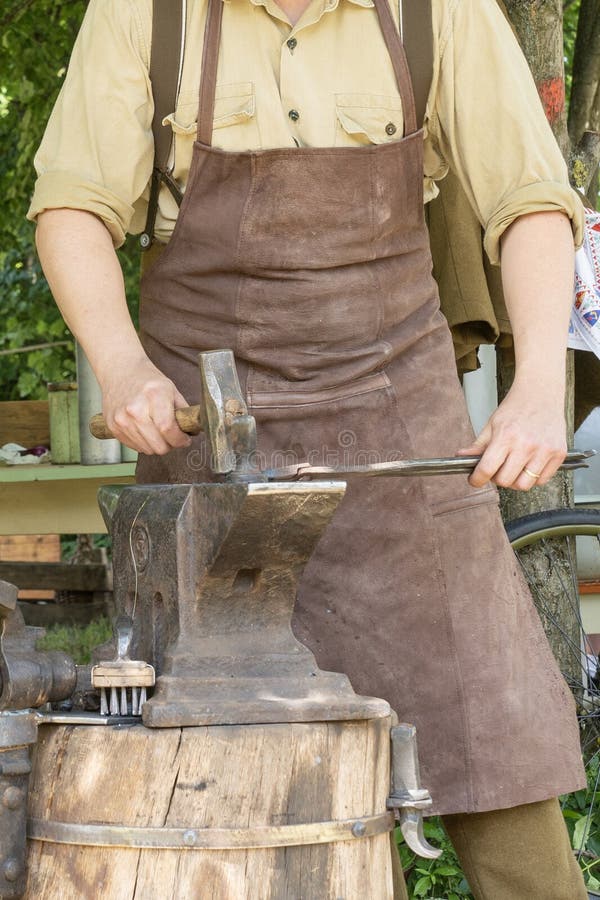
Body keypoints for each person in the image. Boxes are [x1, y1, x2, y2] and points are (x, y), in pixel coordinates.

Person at [28, 0, 588, 896]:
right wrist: (126, 369)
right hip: (206, 434)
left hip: (398, 412)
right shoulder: (144, 13)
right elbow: (72, 208)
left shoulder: (441, 12)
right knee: (222, 778)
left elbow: (529, 203)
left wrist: (536, 392)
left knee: (494, 732)